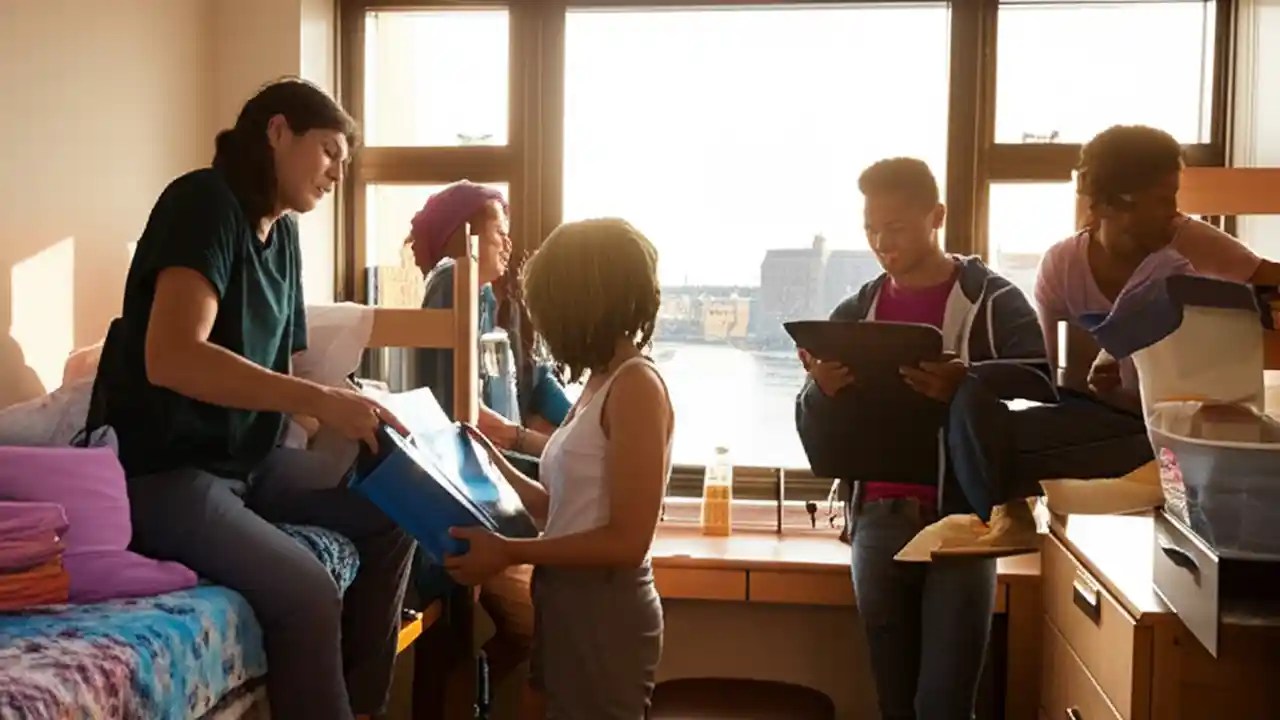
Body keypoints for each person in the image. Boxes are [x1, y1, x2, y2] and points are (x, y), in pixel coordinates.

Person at [94, 78, 413, 720]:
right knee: (308, 594)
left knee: (394, 509)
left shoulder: (285, 238)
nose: (336, 174)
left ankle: (358, 706)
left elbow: (293, 376)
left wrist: (363, 415)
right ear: (276, 132)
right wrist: (321, 400)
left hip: (251, 464)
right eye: (329, 152)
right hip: (167, 476)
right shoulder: (203, 204)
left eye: (345, 164)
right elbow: (173, 355)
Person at [795, 158, 1054, 720]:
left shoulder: (995, 301)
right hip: (877, 518)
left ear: (935, 217)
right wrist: (821, 390)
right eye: (871, 229)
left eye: (896, 227)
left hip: (963, 521)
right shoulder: (857, 310)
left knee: (944, 703)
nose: (882, 242)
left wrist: (970, 384)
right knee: (894, 699)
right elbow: (815, 430)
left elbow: (1043, 393)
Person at [444, 217, 673, 720]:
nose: (541, 324)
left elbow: (627, 540)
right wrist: (493, 461)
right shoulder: (598, 382)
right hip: (565, 601)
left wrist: (507, 552)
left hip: (604, 613)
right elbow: (561, 508)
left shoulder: (636, 387)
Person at [404, 181, 575, 695]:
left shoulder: (502, 305)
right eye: (498, 231)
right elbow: (451, 402)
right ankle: (460, 697)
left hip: (496, 487)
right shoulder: (454, 283)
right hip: (465, 492)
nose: (507, 243)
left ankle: (465, 696)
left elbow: (537, 380)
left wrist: (586, 428)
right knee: (488, 633)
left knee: (503, 636)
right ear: (464, 237)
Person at [1036, 123, 1280, 411]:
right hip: (1102, 426)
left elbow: (1269, 278)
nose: (1173, 212)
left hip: (1183, 422)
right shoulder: (1060, 269)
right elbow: (1043, 377)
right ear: (1107, 205)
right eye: (1163, 200)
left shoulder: (1193, 243)